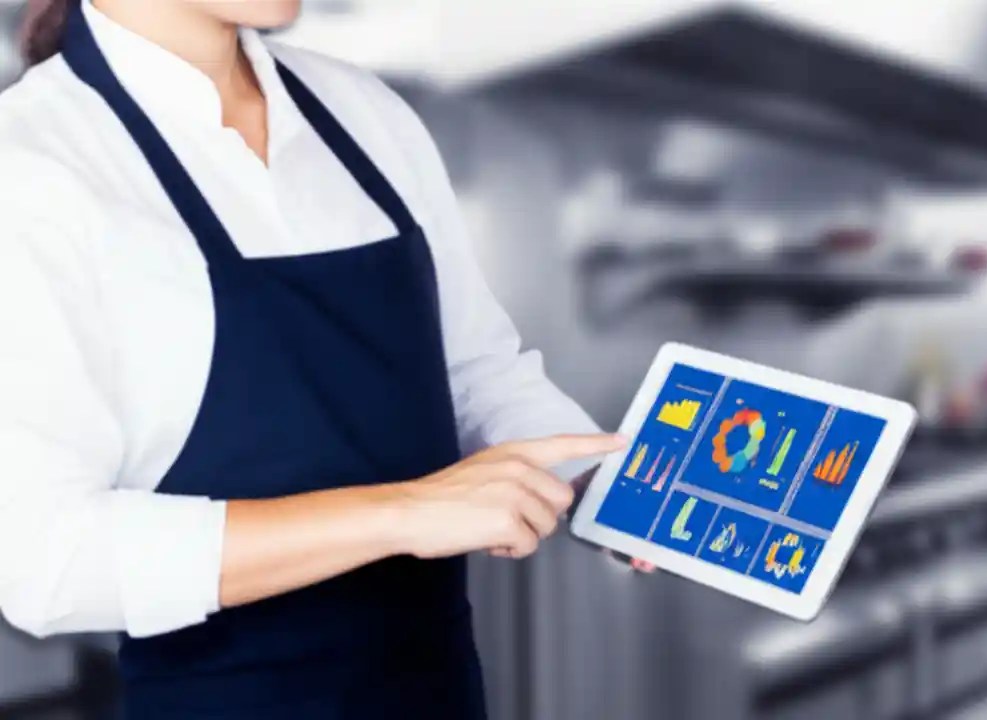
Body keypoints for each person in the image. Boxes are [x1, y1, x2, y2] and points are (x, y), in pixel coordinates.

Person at [0, 1, 648, 717]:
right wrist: (399, 515)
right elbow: (46, 565)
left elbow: (473, 372)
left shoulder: (366, 113)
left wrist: (609, 484)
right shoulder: (30, 163)